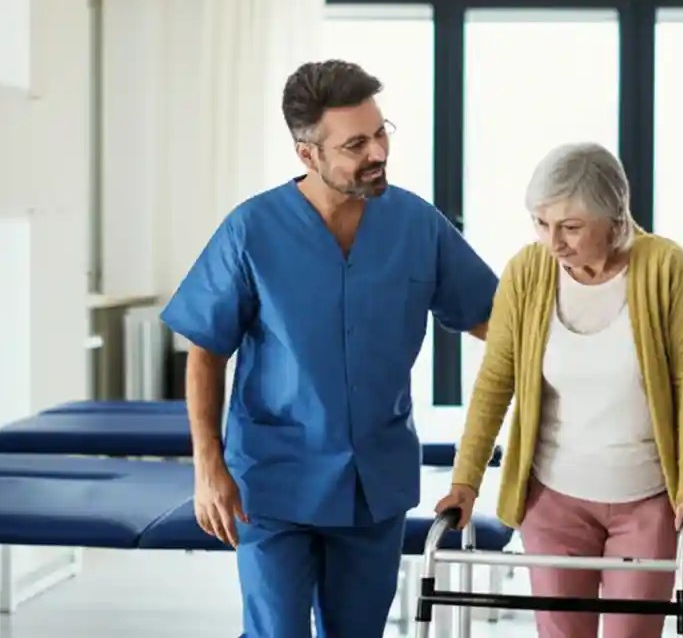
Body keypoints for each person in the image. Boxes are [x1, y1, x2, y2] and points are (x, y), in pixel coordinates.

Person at [160, 59, 498, 638]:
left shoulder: (417, 225)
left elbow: (495, 320)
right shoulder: (252, 230)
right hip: (272, 478)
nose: (378, 152)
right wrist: (207, 464)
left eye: (381, 131)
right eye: (356, 143)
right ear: (308, 155)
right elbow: (206, 349)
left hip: (376, 480)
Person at [435, 141, 683, 638]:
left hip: (646, 498)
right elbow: (493, 383)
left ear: (615, 219)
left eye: (570, 227)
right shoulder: (527, 272)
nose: (554, 242)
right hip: (553, 498)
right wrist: (466, 481)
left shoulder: (665, 269)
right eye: (541, 224)